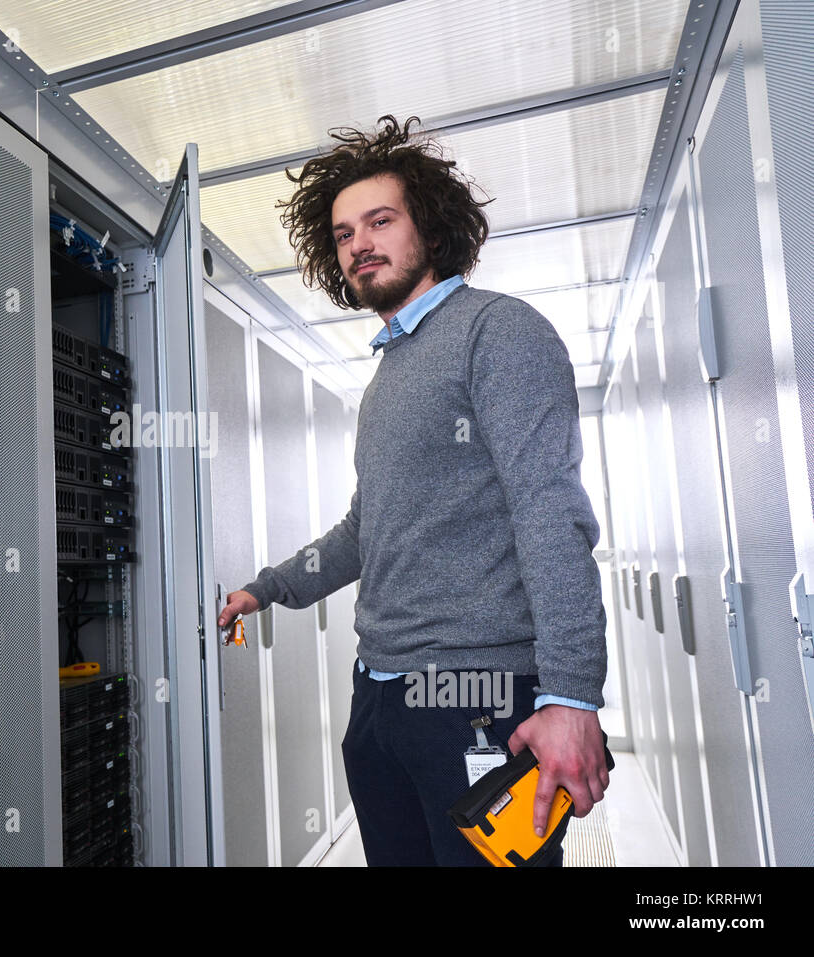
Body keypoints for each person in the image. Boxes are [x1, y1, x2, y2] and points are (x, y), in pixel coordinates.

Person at [216, 115, 610, 866]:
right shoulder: (385, 378)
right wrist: (264, 589)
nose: (359, 243)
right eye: (342, 234)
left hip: (479, 695)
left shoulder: (498, 331)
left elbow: (548, 511)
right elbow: (364, 532)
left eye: (380, 220)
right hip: (380, 700)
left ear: (428, 227)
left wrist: (571, 696)